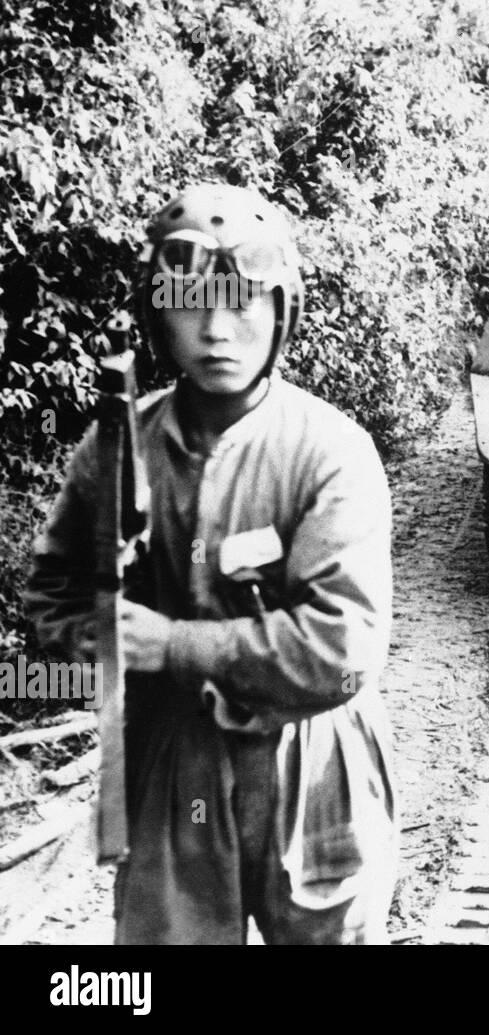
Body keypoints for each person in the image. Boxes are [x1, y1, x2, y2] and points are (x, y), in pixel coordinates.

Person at [26, 184, 398, 944]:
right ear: (159, 316)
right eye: (192, 303)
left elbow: (343, 646)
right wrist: (107, 636)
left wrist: (176, 644)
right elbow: (52, 597)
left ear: (281, 312)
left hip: (311, 762)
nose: (219, 329)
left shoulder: (330, 451)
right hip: (173, 761)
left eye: (244, 303)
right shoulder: (117, 447)